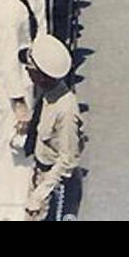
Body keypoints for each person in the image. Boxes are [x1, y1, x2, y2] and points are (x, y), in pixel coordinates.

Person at [0, 0, 48, 220]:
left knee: (20, 152)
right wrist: (19, 103)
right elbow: (6, 60)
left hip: (26, 84)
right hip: (15, 91)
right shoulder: (9, 9)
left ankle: (18, 205)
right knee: (12, 151)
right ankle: (9, 211)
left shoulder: (20, 2)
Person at [24, 34, 83, 221]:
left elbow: (68, 160)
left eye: (30, 69)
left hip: (56, 186)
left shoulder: (65, 111)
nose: (26, 71)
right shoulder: (47, 93)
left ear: (42, 76)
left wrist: (39, 195)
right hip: (40, 172)